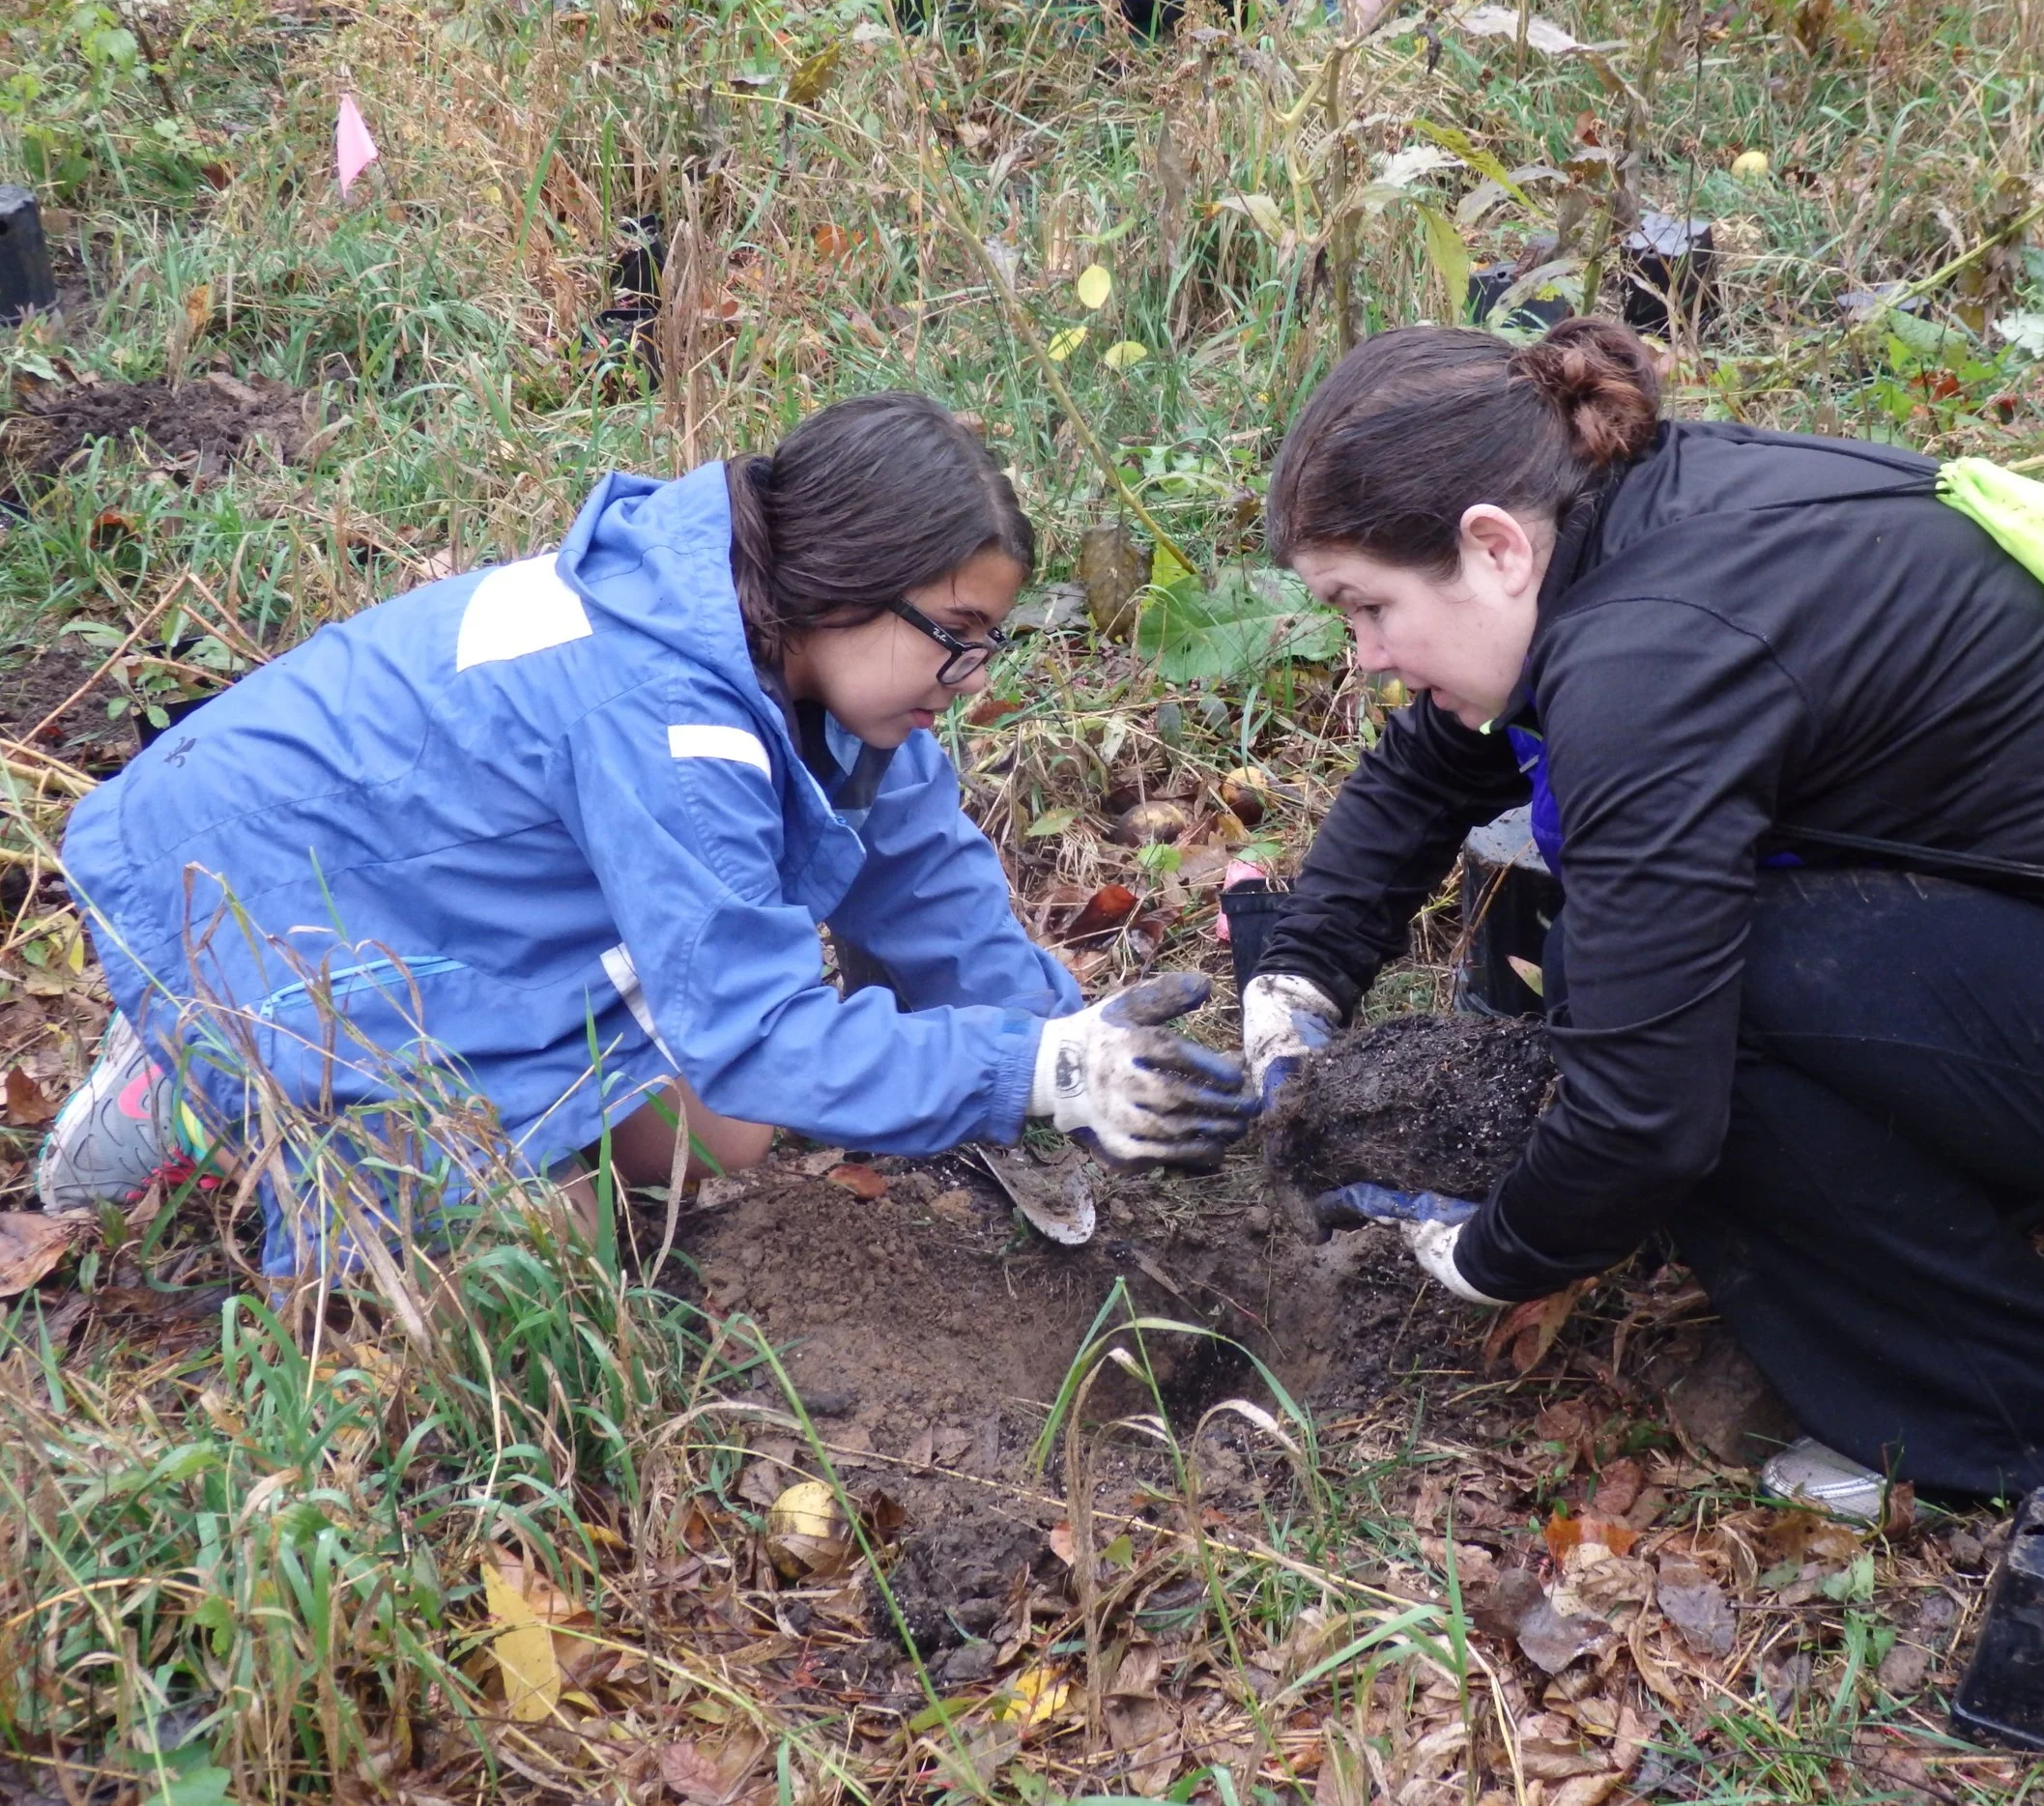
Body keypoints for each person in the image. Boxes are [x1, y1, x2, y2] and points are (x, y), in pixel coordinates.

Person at [1241, 318, 2044, 1514]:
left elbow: (1645, 1110)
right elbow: (1441, 757)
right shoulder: (1647, 513)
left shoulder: (1653, 653)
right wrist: (1301, 975)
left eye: (1364, 606)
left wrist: (1486, 1257)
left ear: (1491, 546)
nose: (1365, 652)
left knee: (1646, 989)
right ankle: (1943, 1220)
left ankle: (2021, 1401)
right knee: (1673, 972)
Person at [39, 392, 1254, 1275]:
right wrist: (1034, 1077)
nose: (970, 671)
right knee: (539, 1281)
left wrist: (1054, 1044)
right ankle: (197, 1073)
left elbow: (926, 888)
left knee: (716, 1141)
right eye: (953, 630)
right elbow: (760, 1036)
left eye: (986, 639)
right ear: (844, 578)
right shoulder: (668, 717)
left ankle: (355, 1082)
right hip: (249, 889)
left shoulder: (800, 659)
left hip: (436, 886)